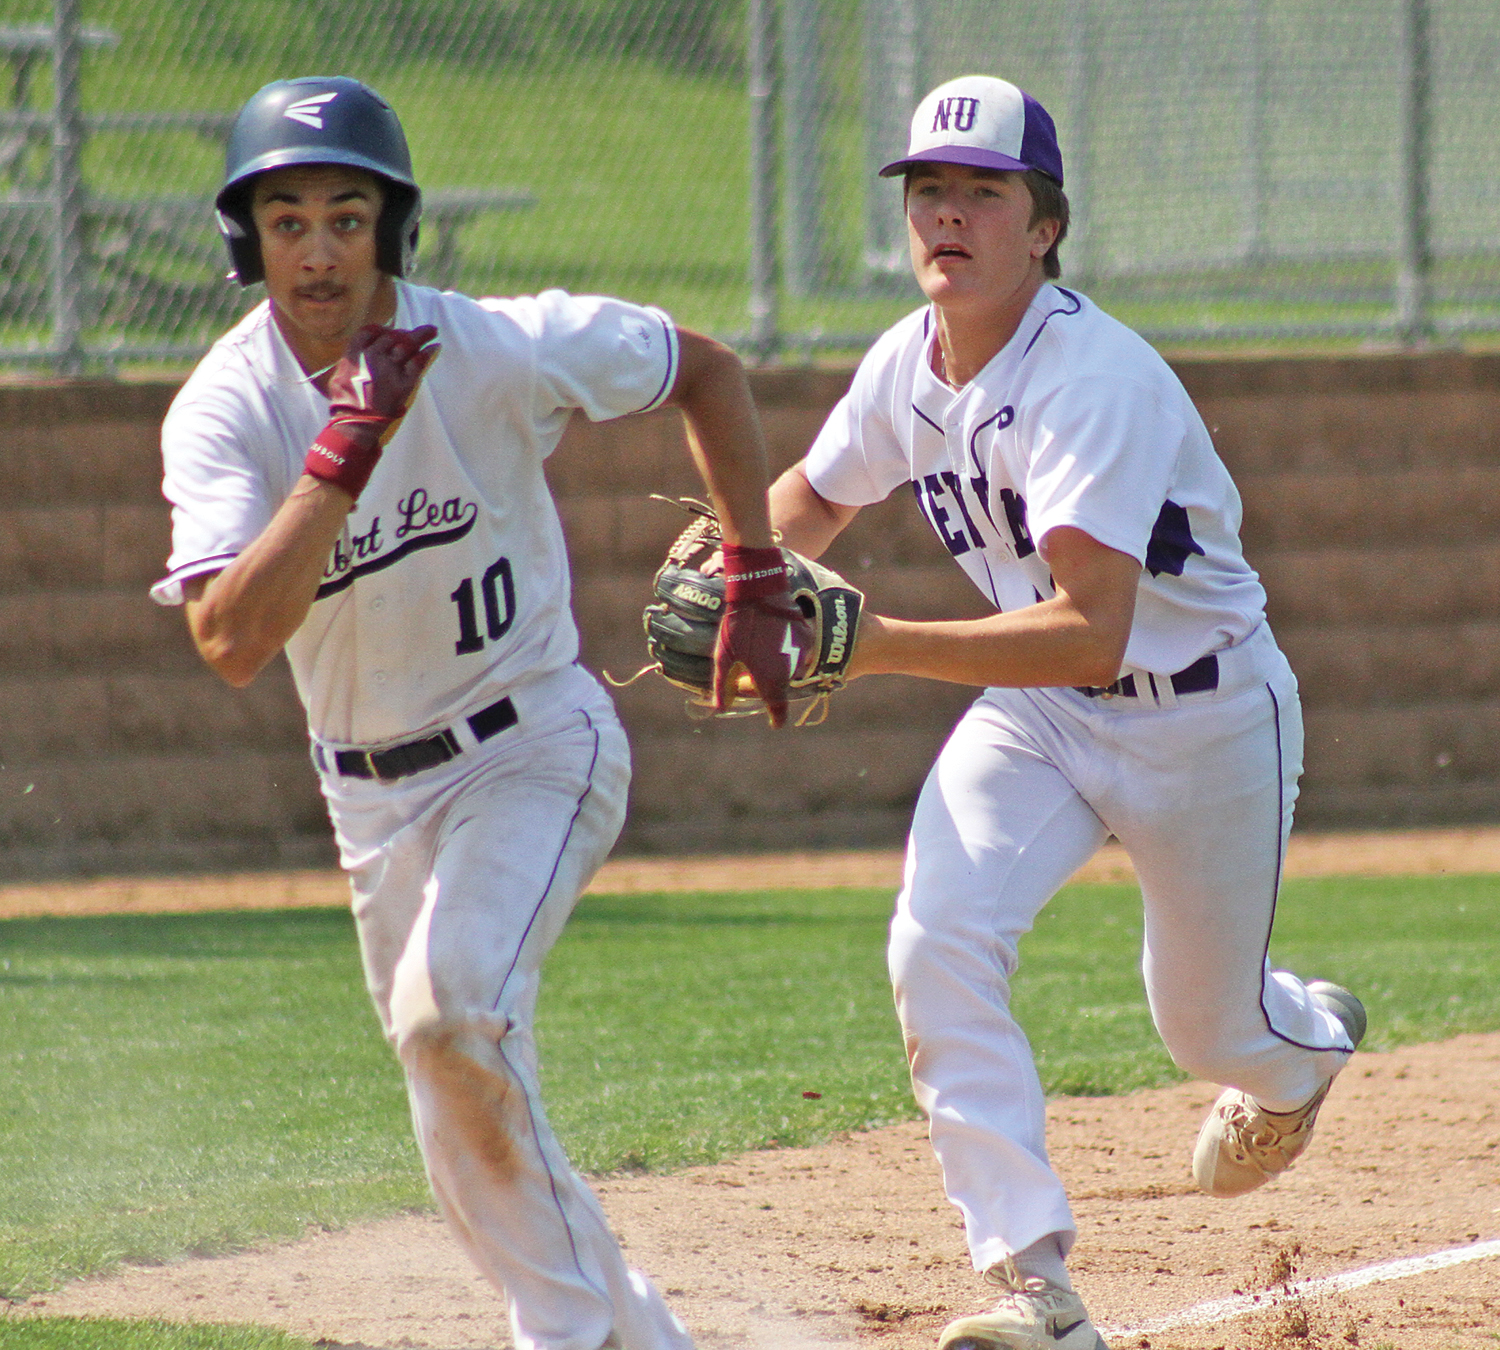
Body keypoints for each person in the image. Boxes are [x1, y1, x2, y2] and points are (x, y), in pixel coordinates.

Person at [151, 75, 805, 1350]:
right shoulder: (227, 410)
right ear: (250, 244)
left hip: (535, 745)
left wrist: (757, 567)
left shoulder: (494, 343)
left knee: (448, 1010)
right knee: (451, 1081)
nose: (321, 248)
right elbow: (229, 638)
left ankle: (564, 1339)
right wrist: (344, 450)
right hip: (368, 800)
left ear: (394, 229)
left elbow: (705, 370)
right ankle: (633, 1329)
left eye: (349, 214)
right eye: (287, 220)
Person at [766, 75, 1366, 1350]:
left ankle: (1303, 1049)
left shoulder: (1090, 376)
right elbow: (807, 504)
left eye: (985, 192)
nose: (949, 214)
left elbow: (1090, 627)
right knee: (935, 942)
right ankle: (1033, 1286)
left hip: (1202, 719)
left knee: (1207, 1027)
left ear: (1044, 226)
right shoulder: (904, 364)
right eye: (930, 190)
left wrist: (868, 646)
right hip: (1038, 719)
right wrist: (730, 570)